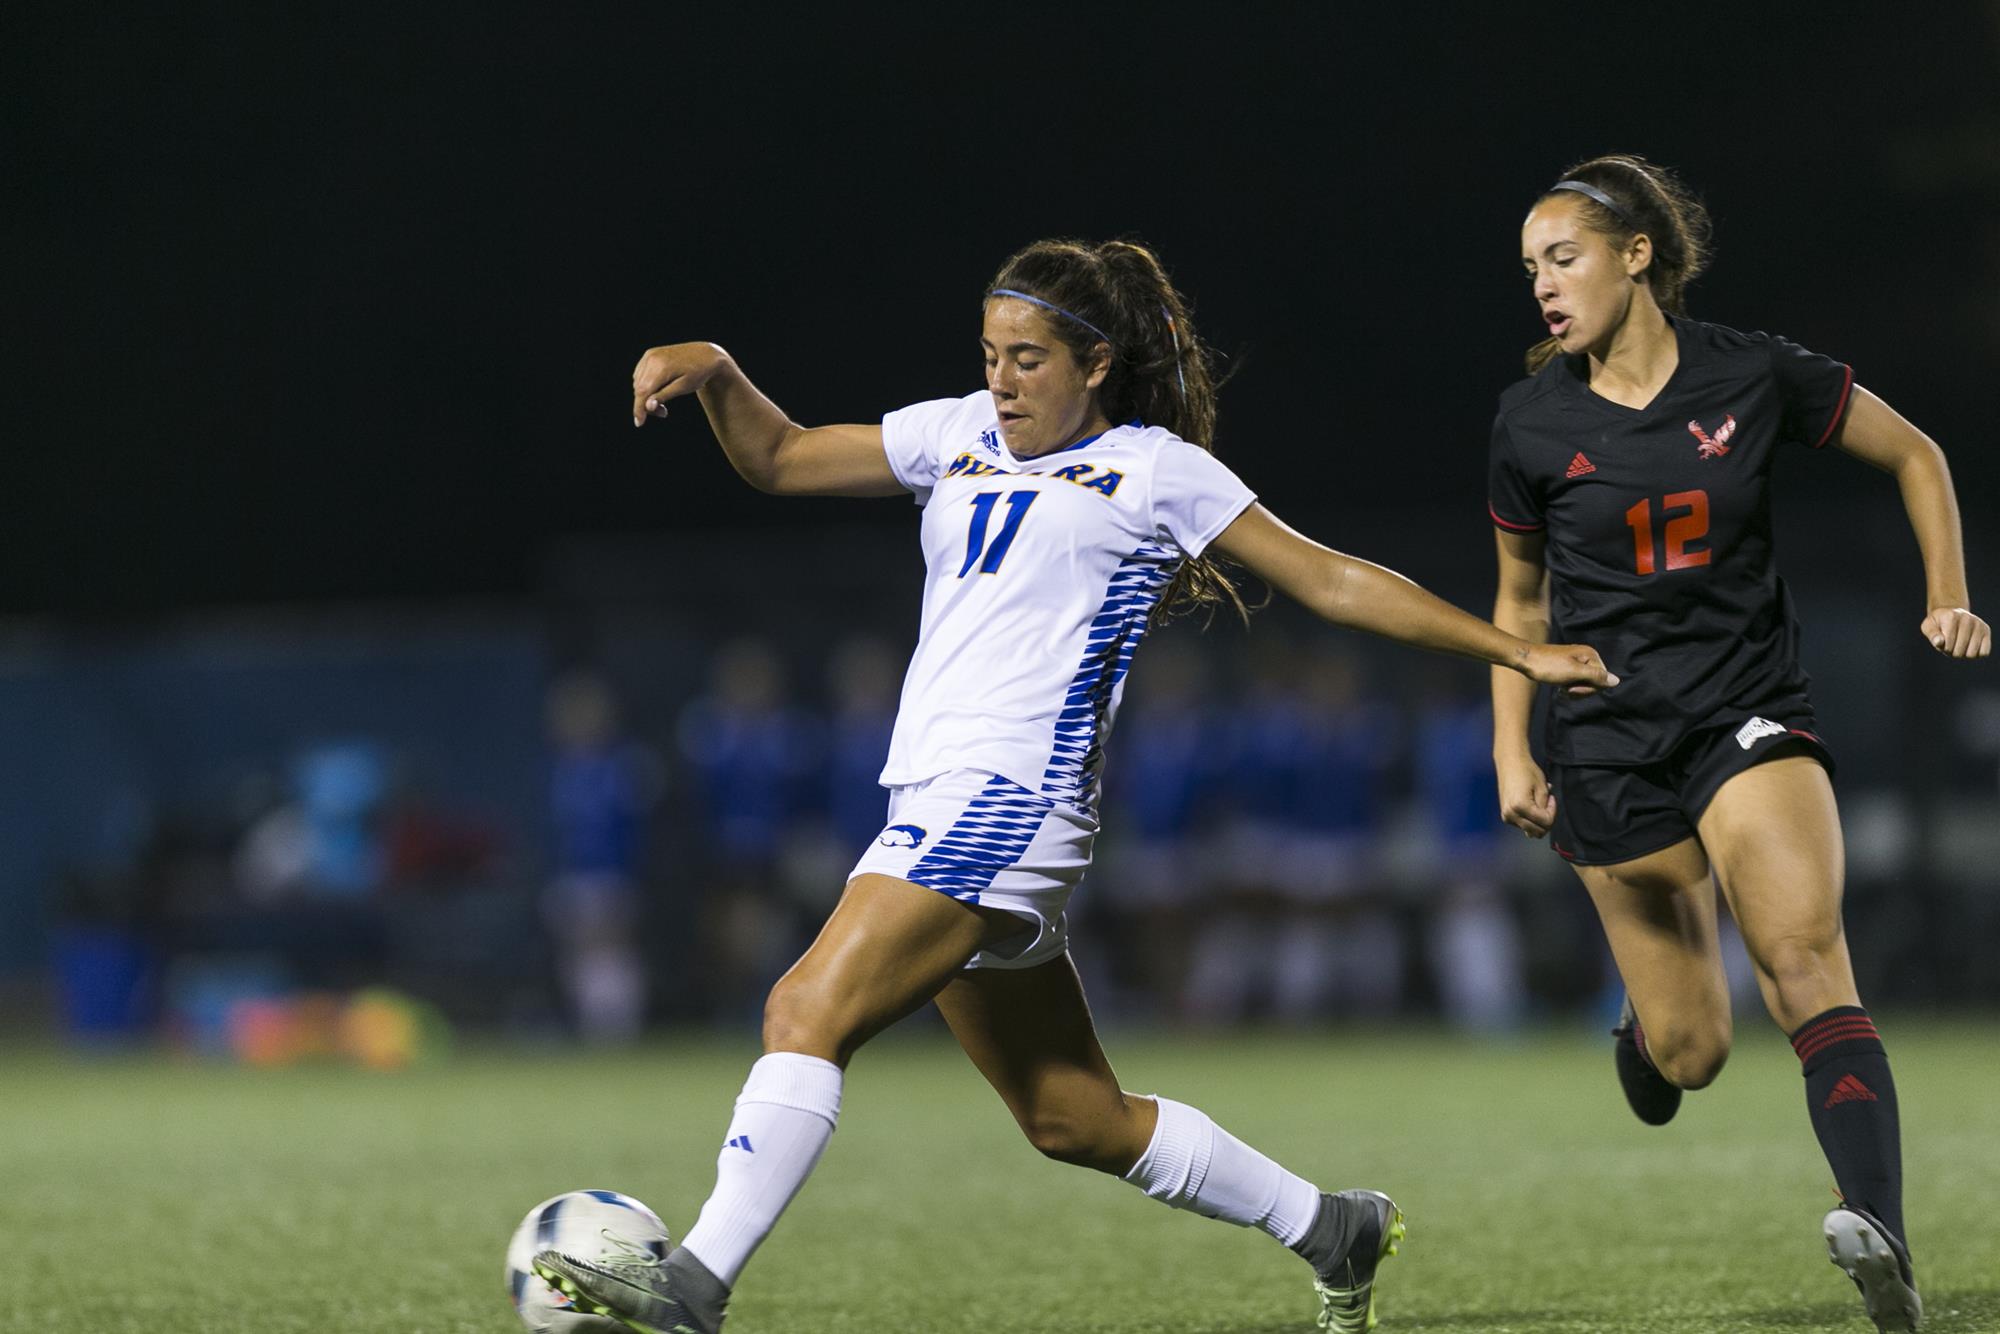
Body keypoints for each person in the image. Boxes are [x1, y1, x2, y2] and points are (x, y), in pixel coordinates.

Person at [537, 237, 1614, 1334]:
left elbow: (1326, 576)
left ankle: (697, 1283)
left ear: (1095, 364)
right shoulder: (955, 431)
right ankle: (1328, 1223)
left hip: (1010, 801)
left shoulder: (1155, 470)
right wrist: (718, 369)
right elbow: (781, 456)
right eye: (990, 354)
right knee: (1070, 1114)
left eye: (1028, 359)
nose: (1000, 380)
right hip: (935, 803)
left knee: (801, 1006)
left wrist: (1513, 650)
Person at [1487, 156, 1990, 1333]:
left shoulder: (1750, 371)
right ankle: (1643, 1031)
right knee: (1694, 1046)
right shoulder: (1527, 420)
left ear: (1635, 253)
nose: (1543, 288)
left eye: (1560, 259)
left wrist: (1947, 592)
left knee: (1802, 956)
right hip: (1605, 743)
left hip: (1745, 710)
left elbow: (1917, 454)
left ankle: (1878, 1230)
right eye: (1529, 271)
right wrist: (1512, 750)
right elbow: (1517, 608)